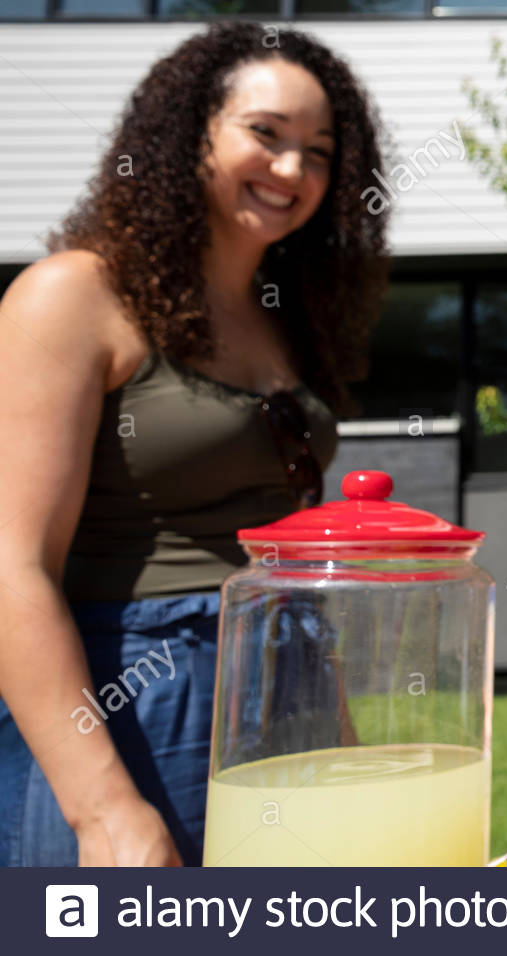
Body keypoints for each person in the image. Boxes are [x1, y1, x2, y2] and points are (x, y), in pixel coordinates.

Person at [0, 22, 389, 866]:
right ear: (189, 135)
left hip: (290, 677)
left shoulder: (289, 315)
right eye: (266, 134)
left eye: (319, 151)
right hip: (136, 693)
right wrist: (104, 808)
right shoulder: (71, 296)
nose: (293, 170)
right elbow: (12, 567)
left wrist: (335, 721)